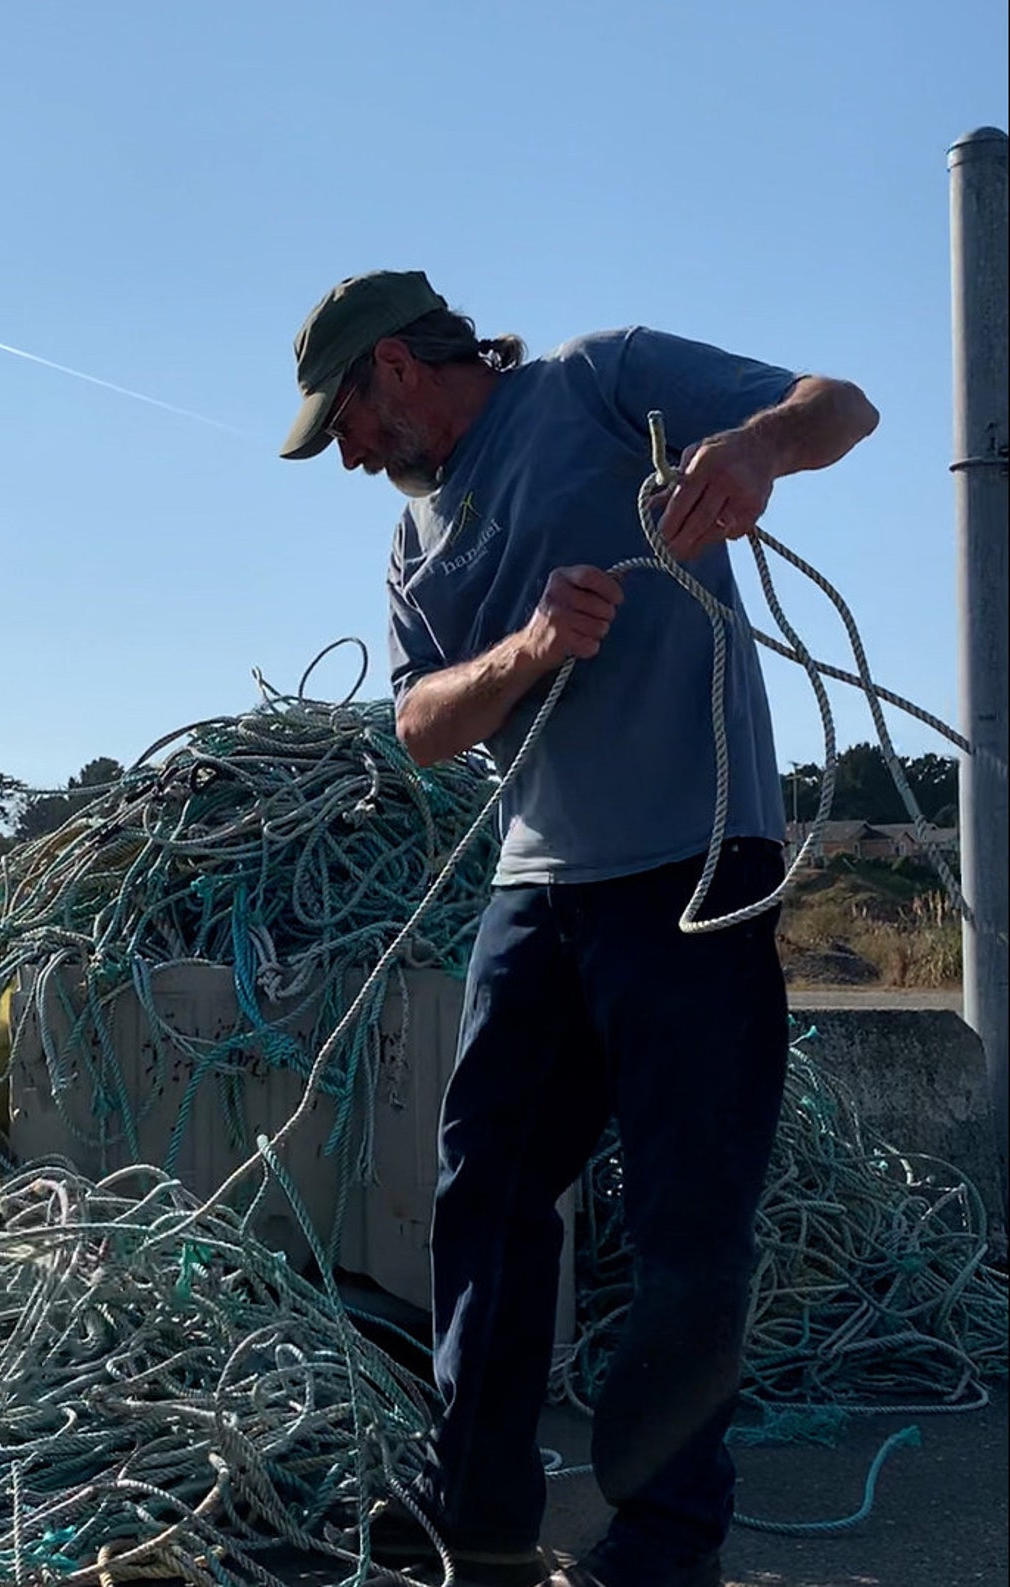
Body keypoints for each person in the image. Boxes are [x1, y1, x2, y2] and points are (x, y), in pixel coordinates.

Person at [280, 271, 879, 1587]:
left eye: (349, 423)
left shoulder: (596, 380)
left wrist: (754, 450)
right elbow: (420, 726)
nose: (353, 455)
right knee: (484, 1197)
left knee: (685, 1214)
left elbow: (842, 406)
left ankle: (665, 1542)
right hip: (536, 888)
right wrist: (531, 648)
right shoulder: (412, 540)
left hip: (697, 862)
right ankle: (477, 1504)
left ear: (395, 369)